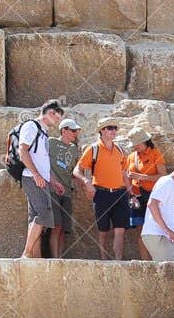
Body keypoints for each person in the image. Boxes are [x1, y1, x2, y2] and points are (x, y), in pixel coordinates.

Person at [75, 118, 131, 260]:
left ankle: (118, 262)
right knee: (103, 231)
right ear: (102, 130)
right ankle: (104, 261)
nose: (113, 131)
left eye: (115, 128)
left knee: (120, 230)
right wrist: (86, 181)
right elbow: (77, 170)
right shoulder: (93, 149)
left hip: (120, 194)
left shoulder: (120, 150)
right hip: (101, 194)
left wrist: (131, 193)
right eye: (109, 128)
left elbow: (124, 173)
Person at [17, 100, 66, 259]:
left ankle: (35, 258)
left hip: (41, 180)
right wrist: (37, 175)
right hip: (32, 178)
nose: (57, 121)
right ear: (51, 113)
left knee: (36, 219)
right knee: (44, 215)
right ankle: (27, 252)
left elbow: (44, 163)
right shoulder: (31, 127)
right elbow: (22, 152)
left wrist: (53, 182)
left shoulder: (44, 133)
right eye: (57, 118)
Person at [41, 118, 83, 258]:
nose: (75, 133)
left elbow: (73, 170)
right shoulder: (50, 142)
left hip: (67, 192)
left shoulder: (73, 149)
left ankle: (59, 258)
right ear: (63, 130)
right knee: (55, 226)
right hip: (52, 190)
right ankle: (54, 258)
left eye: (76, 131)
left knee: (64, 229)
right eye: (72, 130)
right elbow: (42, 161)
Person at [125, 127, 167, 261]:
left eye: (137, 144)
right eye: (134, 145)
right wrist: (129, 190)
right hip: (137, 197)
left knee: (156, 229)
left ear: (145, 141)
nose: (135, 147)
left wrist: (143, 177)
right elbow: (126, 175)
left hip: (153, 196)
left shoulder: (155, 153)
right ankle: (145, 261)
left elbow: (163, 176)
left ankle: (158, 259)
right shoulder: (132, 157)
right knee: (141, 231)